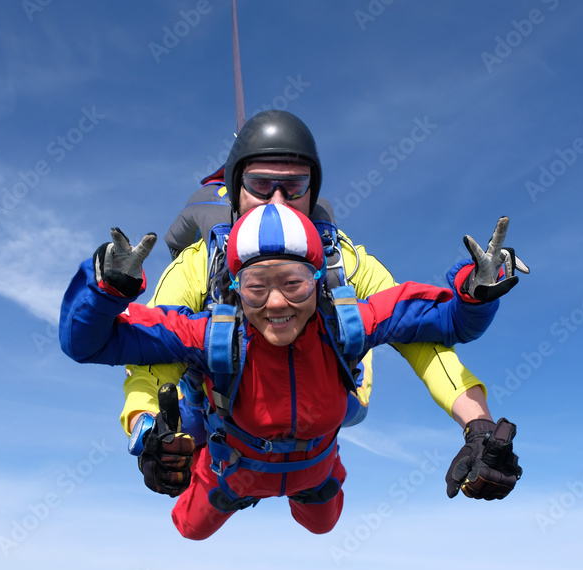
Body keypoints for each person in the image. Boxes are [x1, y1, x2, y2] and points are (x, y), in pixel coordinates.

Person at [117, 110, 529, 505]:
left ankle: (308, 478)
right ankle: (230, 486)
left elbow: (418, 334)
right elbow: (154, 351)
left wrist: (478, 425)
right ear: (235, 190)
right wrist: (148, 429)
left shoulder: (342, 261)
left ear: (312, 192)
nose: (276, 201)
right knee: (193, 522)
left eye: (294, 187)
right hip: (226, 424)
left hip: (317, 425)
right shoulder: (200, 263)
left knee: (322, 516)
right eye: (261, 184)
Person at [61, 203, 521, 539]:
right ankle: (241, 483)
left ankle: (296, 489)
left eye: (294, 284)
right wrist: (105, 289)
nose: (277, 302)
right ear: (235, 289)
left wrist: (476, 290)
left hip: (313, 472)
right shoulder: (211, 335)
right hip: (233, 473)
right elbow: (91, 342)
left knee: (322, 524)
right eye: (256, 287)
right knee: (189, 528)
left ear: (319, 280)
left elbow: (443, 321)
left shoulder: (347, 324)